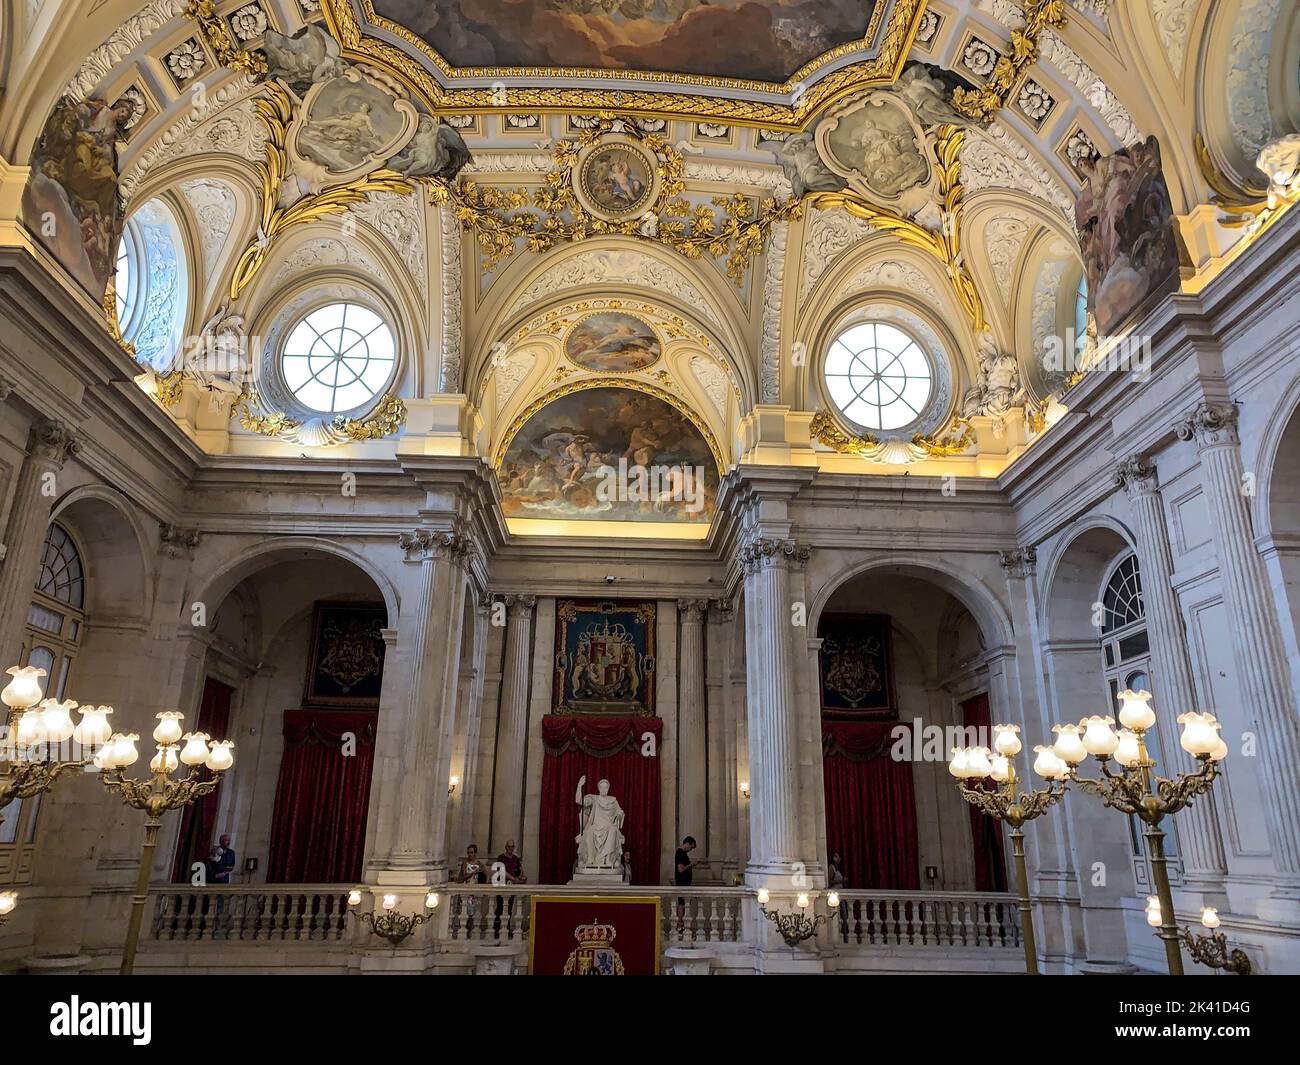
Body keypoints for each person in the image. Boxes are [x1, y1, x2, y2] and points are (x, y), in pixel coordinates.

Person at [493, 840, 526, 932]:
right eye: (509, 846)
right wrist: (513, 878)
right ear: (506, 847)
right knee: (500, 907)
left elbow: (520, 870)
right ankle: (496, 928)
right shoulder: (501, 858)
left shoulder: (516, 858)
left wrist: (520, 877)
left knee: (509, 908)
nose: (511, 848)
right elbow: (502, 871)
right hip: (502, 885)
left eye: (512, 847)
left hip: (512, 886)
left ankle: (506, 928)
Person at [674, 836, 697, 932]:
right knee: (681, 903)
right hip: (682, 883)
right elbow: (680, 869)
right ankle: (680, 924)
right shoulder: (680, 853)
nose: (690, 850)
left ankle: (681, 924)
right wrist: (691, 864)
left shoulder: (682, 853)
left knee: (683, 903)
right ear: (687, 843)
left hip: (684, 883)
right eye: (691, 847)